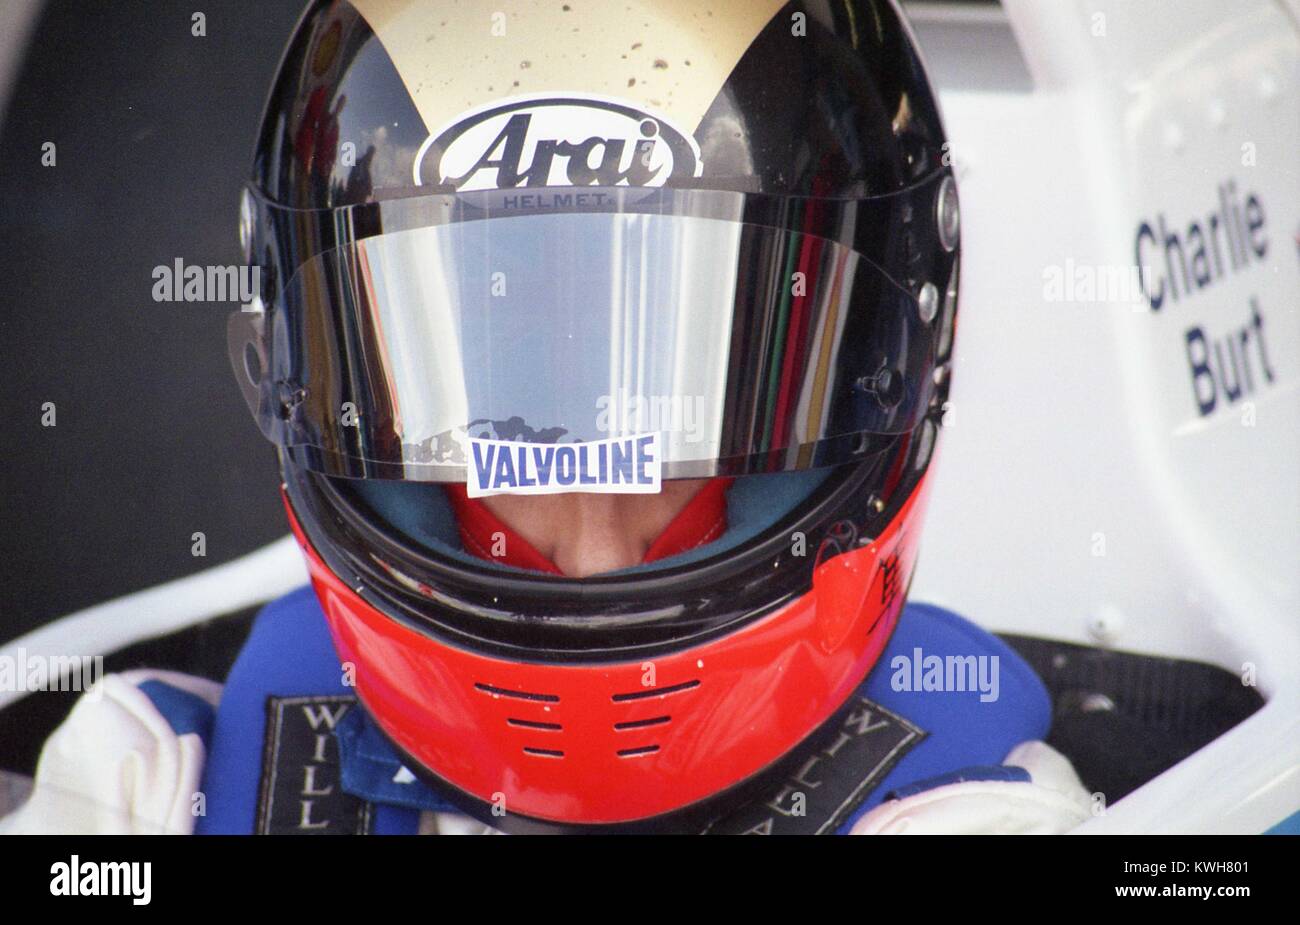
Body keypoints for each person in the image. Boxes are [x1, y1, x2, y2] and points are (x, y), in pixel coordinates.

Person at [1, 0, 1089, 835]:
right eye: (509, 440)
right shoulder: (156, 779)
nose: (594, 559)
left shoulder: (974, 806)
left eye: (673, 446)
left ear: (886, 374)